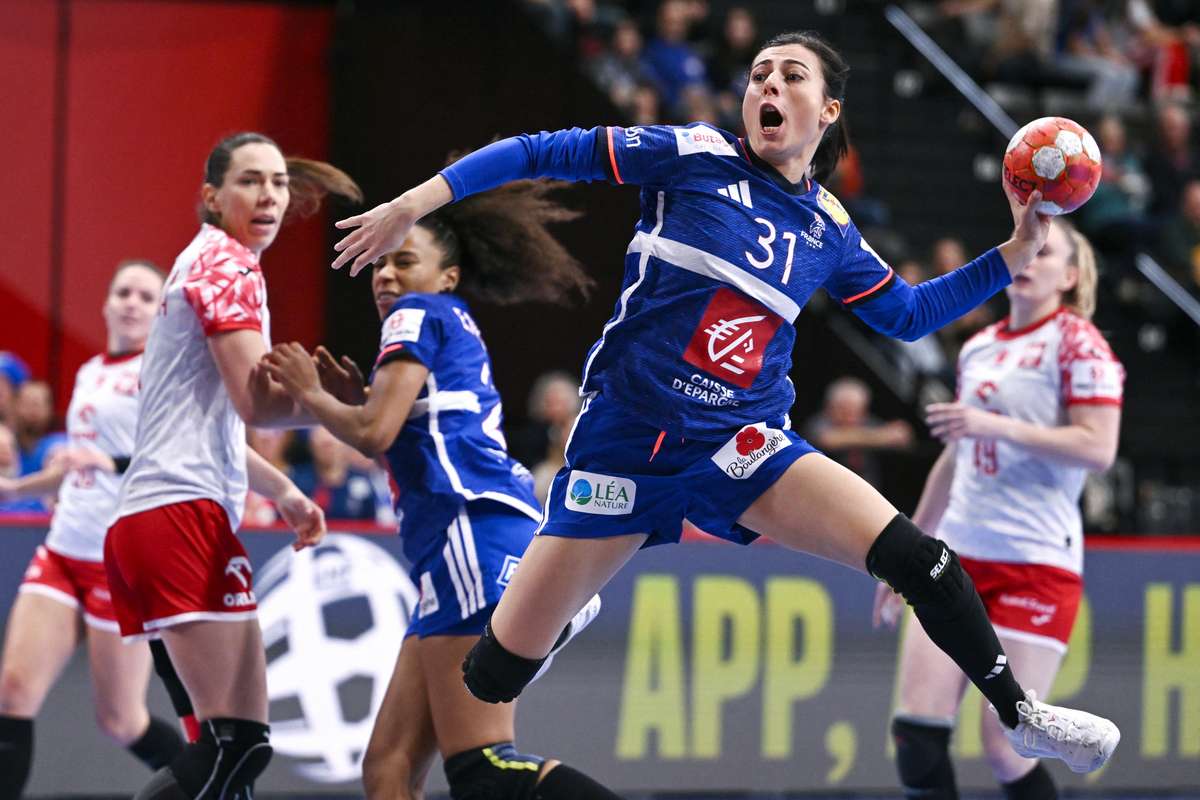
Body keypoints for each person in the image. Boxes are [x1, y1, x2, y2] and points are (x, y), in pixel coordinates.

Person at [332, 29, 1120, 777]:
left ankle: (1021, 713)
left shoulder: (830, 228)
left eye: (790, 76)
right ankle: (569, 603)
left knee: (921, 559)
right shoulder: (693, 157)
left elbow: (907, 315)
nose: (767, 85)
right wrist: (418, 203)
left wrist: (1008, 257)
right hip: (622, 449)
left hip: (738, 444)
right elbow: (543, 150)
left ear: (829, 111)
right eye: (757, 77)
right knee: (492, 677)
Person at [263, 178, 615, 800]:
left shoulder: (418, 314)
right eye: (381, 263)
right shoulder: (444, 321)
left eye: (405, 260)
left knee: (483, 767)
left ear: (446, 276)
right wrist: (352, 403)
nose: (386, 276)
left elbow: (373, 434)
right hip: (475, 539)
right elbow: (392, 427)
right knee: (388, 769)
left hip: (468, 533)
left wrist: (312, 394)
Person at [105, 132, 356, 800]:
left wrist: (283, 492)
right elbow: (257, 404)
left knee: (226, 756)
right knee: (236, 748)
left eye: (277, 181)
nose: (268, 194)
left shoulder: (204, 261)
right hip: (177, 516)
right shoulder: (228, 266)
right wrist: (342, 408)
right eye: (249, 181)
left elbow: (211, 419)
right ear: (211, 198)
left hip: (156, 516)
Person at [874, 218, 1122, 800]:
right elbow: (955, 459)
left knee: (1006, 745)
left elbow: (1099, 448)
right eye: (1027, 247)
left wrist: (992, 425)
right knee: (916, 737)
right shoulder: (979, 346)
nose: (1031, 258)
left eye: (1048, 251)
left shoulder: (1078, 340)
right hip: (957, 554)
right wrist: (905, 546)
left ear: (1069, 275)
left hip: (1034, 562)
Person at [0, 261, 187, 800]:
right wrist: (21, 488)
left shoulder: (164, 371)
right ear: (105, 304)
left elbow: (176, 455)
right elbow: (83, 461)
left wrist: (114, 461)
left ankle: (211, 787)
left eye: (146, 296)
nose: (131, 302)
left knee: (121, 720)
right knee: (13, 693)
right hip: (63, 548)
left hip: (120, 560)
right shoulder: (88, 371)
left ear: (161, 312)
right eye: (122, 291)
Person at [804, 376, 913, 491]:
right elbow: (829, 439)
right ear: (830, 407)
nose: (852, 418)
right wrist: (880, 436)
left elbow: (902, 435)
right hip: (825, 489)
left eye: (857, 411)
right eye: (845, 411)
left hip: (867, 491)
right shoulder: (819, 423)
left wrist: (892, 433)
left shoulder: (866, 423)